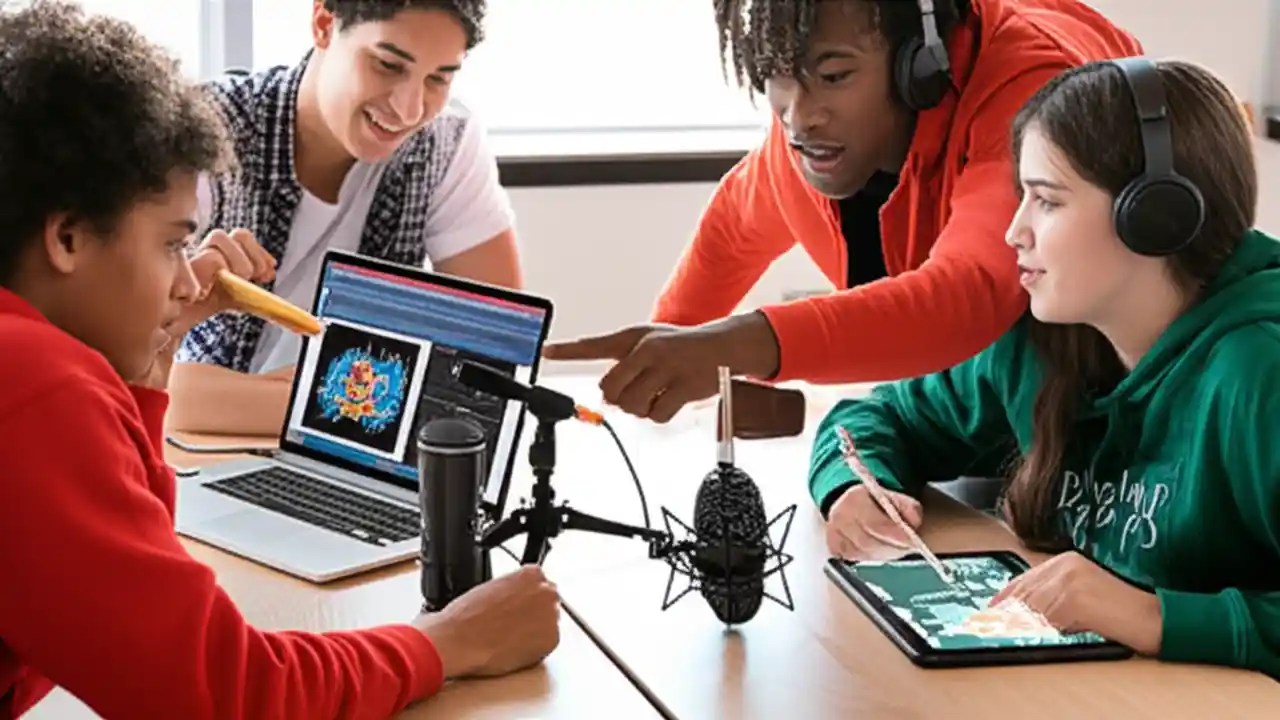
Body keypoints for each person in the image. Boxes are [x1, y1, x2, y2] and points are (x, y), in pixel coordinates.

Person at [0, 3, 558, 718]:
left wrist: (144, 375)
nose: (186, 280)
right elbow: (228, 694)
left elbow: (124, 610)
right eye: (172, 244)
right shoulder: (38, 387)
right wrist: (449, 644)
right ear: (68, 238)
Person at [807, 57, 1279, 676]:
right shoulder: (1043, 339)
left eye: (1047, 201)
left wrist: (1153, 617)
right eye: (1021, 197)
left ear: (1153, 216)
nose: (1013, 231)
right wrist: (852, 490)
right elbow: (876, 419)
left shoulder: (1258, 373)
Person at [544, 0, 1143, 424]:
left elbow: (973, 290)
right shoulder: (804, 144)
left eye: (834, 75)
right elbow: (732, 229)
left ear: (920, 62)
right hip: (966, 415)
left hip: (1104, 409)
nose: (799, 115)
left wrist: (739, 346)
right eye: (775, 77)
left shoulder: (1035, 98)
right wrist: (662, 365)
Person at [168, 0, 521, 436]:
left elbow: (495, 371)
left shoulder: (445, 144)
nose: (410, 110)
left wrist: (289, 400)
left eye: (438, 78)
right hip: (204, 454)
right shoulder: (206, 132)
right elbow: (131, 381)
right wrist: (342, 403)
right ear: (323, 23)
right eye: (387, 65)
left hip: (352, 457)